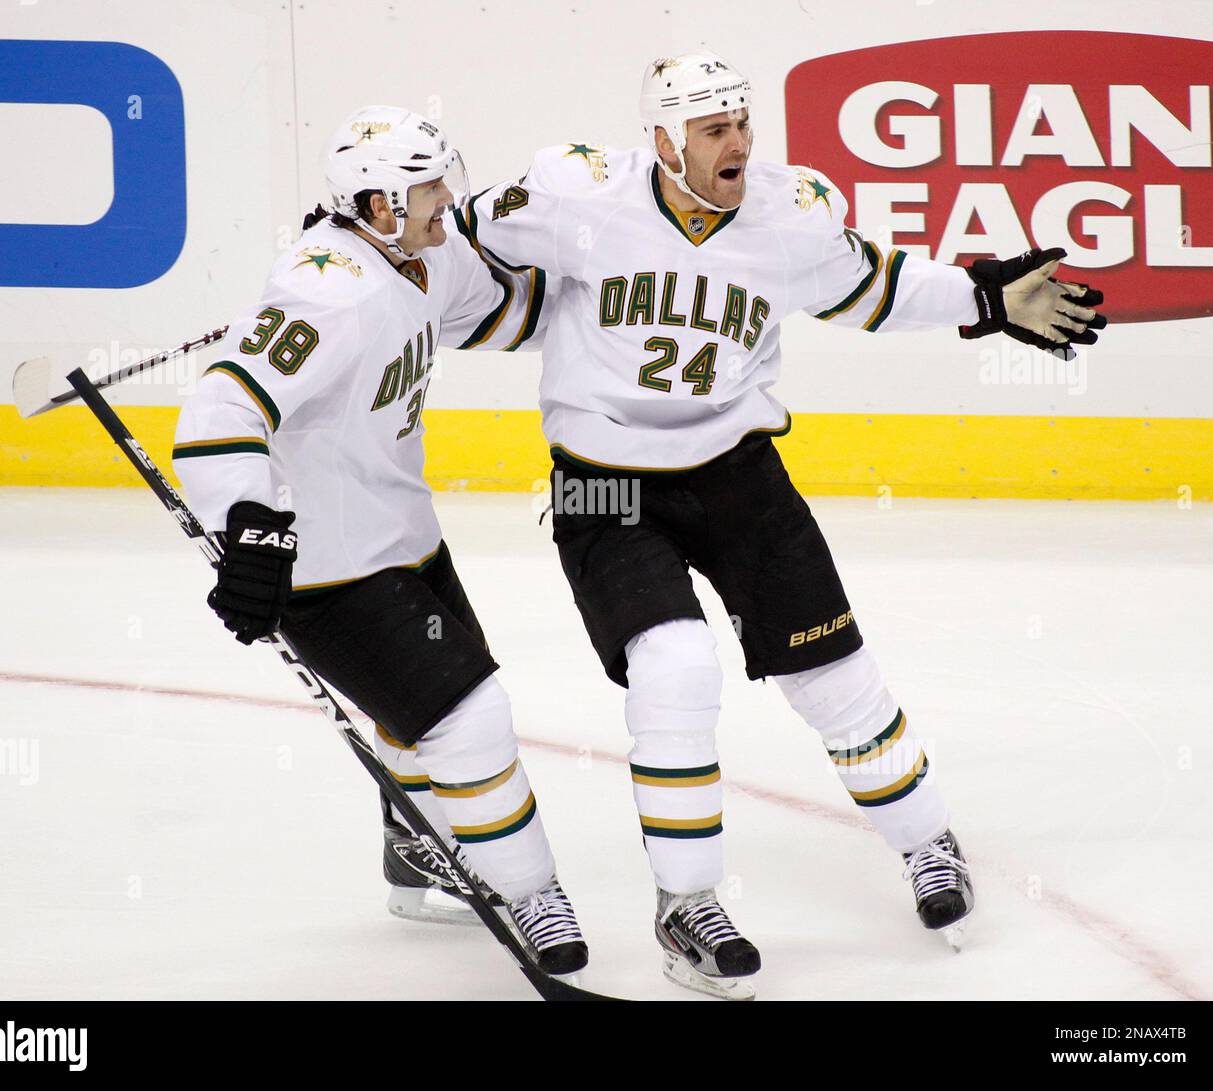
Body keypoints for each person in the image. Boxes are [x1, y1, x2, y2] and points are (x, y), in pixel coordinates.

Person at [462, 52, 1105, 998]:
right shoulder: (574, 191)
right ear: (664, 140)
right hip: (604, 485)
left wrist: (982, 296)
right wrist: (365, 253)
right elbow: (452, 235)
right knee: (675, 667)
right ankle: (688, 904)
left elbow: (870, 288)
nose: (738, 142)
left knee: (833, 675)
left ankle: (927, 841)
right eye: (713, 128)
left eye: (742, 122)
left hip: (738, 478)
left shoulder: (788, 210)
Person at [171, 105, 583, 976]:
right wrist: (248, 527)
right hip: (326, 567)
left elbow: (508, 311)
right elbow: (218, 412)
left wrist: (611, 278)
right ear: (384, 203)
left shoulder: (419, 256)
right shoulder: (329, 291)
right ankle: (532, 893)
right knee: (472, 717)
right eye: (431, 183)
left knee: (416, 713)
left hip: (405, 534)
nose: (450, 198)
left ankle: (417, 852)